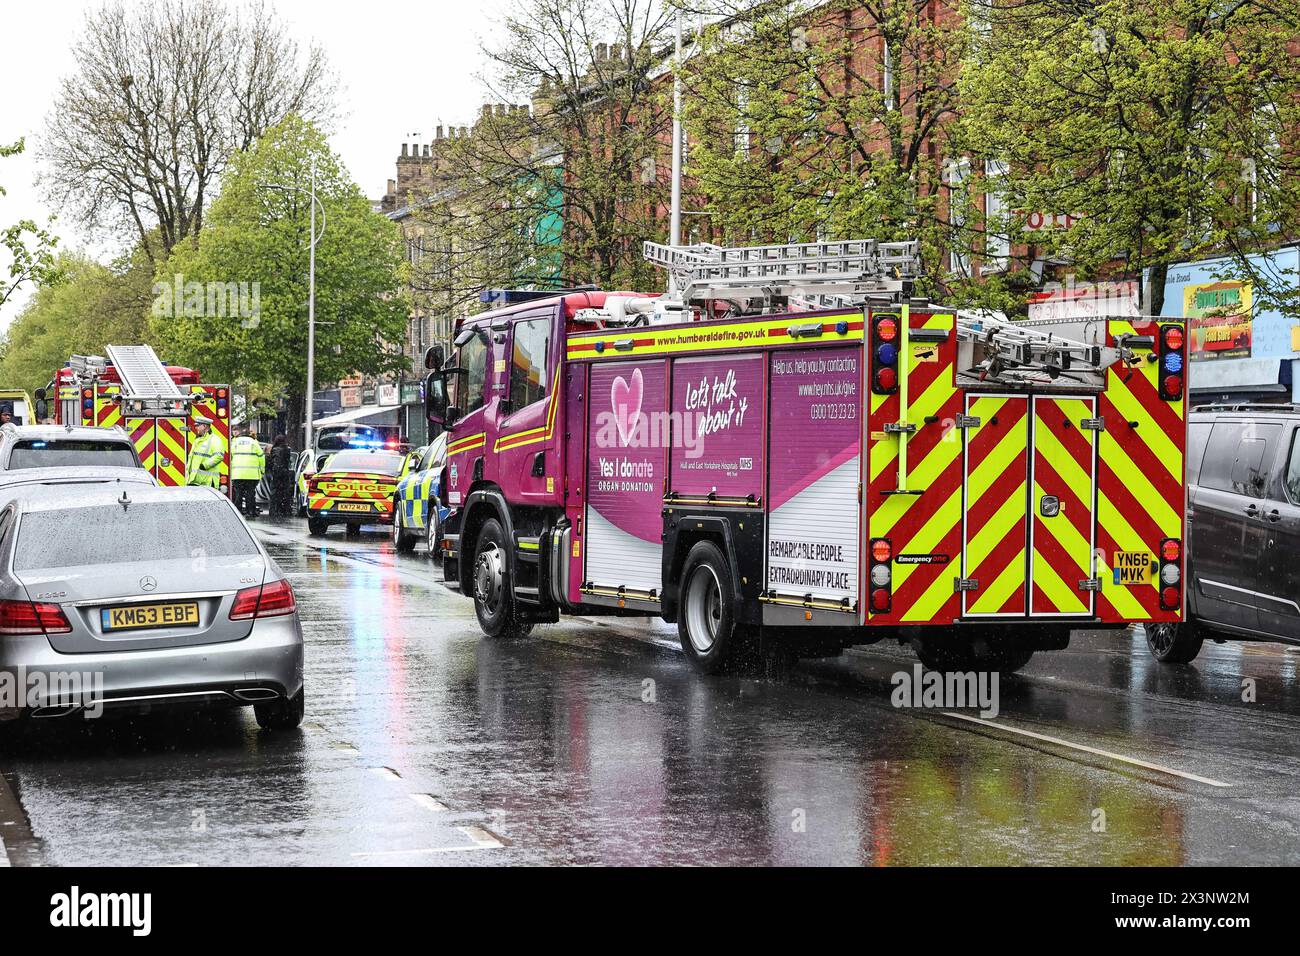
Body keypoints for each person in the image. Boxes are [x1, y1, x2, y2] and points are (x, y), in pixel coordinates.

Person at [230, 423, 266, 517]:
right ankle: (251, 511)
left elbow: (230, 456)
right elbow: (261, 457)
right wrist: (262, 470)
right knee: (250, 493)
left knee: (239, 493)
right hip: (252, 475)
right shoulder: (254, 442)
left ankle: (237, 512)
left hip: (237, 474)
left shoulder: (235, 442)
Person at [186, 415, 224, 488]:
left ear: (204, 426)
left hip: (207, 482)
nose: (196, 428)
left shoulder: (215, 439)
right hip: (194, 481)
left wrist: (205, 465)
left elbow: (219, 456)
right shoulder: (197, 440)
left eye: (197, 425)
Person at [268, 435, 294, 517]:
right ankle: (286, 510)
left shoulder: (275, 449)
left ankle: (274, 510)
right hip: (285, 473)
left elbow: (272, 462)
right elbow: (288, 461)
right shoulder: (287, 449)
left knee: (275, 493)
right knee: (285, 492)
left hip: (277, 473)